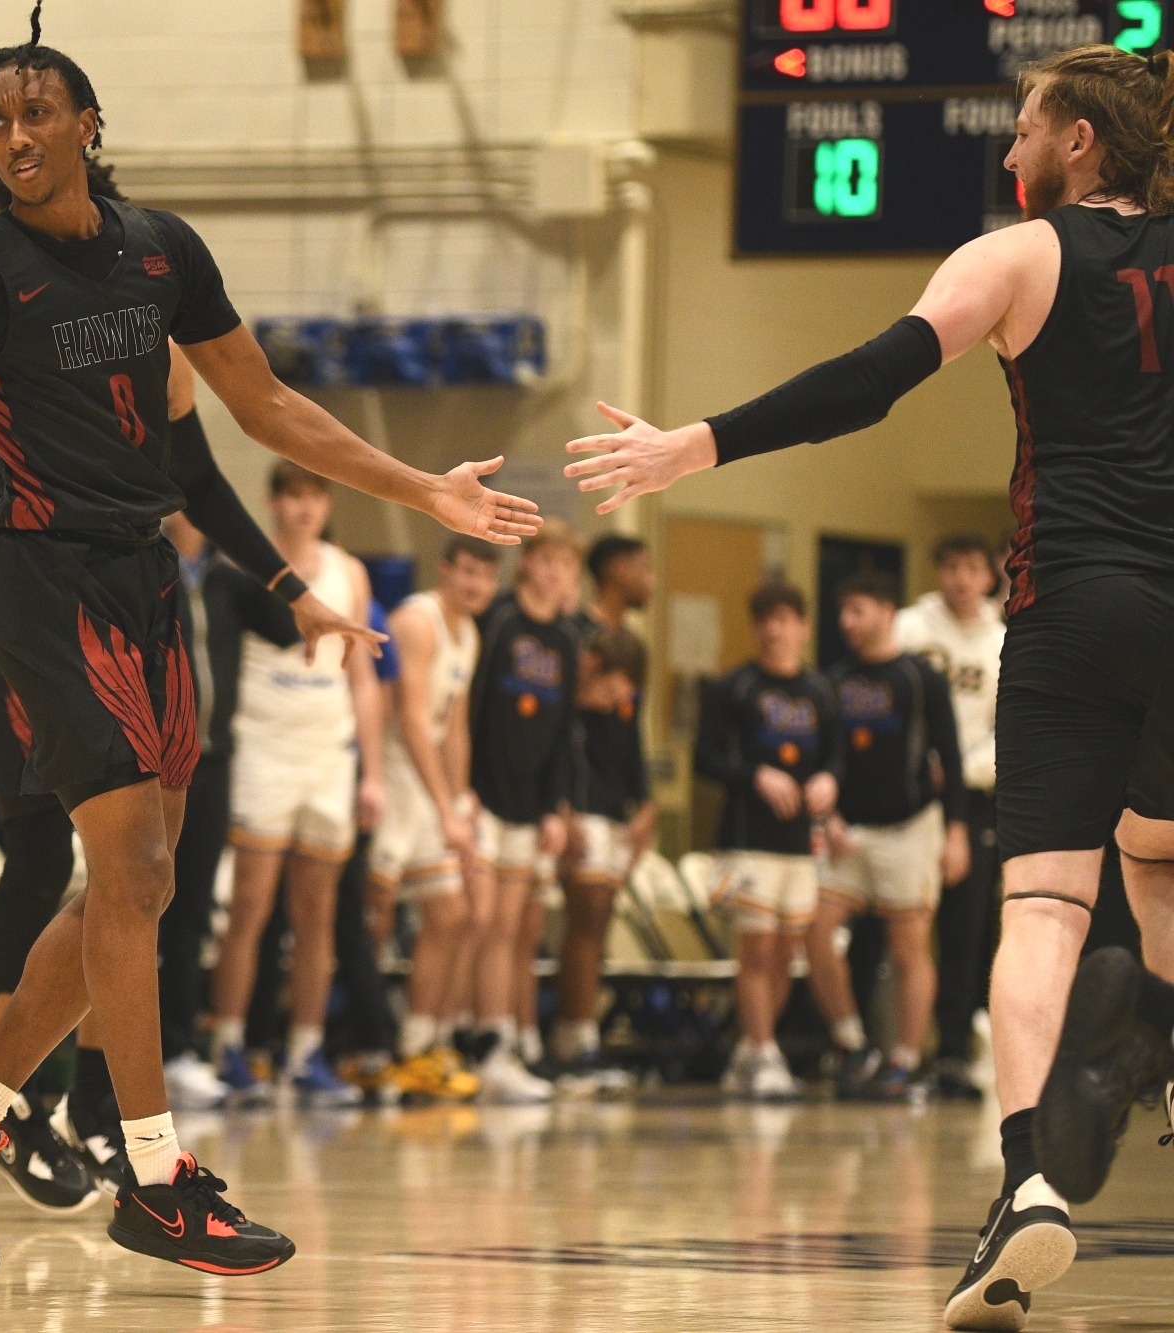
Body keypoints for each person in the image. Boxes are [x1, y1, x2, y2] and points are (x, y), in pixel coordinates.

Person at [0, 5, 537, 1278]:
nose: (16, 134)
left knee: (135, 886)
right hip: (35, 581)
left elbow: (263, 407)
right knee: (133, 859)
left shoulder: (162, 254)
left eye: (38, 112)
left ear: (89, 126)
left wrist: (419, 490)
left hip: (147, 581)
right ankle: (150, 1171)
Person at [561, 45, 1174, 1325]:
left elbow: (870, 381)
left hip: (1069, 606)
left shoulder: (1015, 256)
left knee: (1051, 907)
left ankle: (1024, 1181)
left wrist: (697, 445)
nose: (1006, 153)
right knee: (1159, 860)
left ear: (1073, 142)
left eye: (1021, 129)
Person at [209, 461, 380, 1108]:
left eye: (315, 496)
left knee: (319, 912)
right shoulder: (242, 558)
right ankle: (228, 1044)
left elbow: (363, 679)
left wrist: (374, 772)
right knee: (250, 905)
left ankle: (306, 1051)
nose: (304, 508)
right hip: (263, 746)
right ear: (273, 501)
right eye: (292, 495)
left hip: (328, 753)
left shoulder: (349, 572)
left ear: (326, 503)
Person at [807, 571, 969, 1102]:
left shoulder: (922, 678)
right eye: (842, 612)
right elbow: (825, 759)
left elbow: (950, 756)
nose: (846, 623)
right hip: (849, 831)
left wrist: (957, 831)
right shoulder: (834, 681)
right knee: (816, 931)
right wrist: (825, 820)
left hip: (911, 827)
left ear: (885, 610)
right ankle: (853, 1044)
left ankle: (904, 1059)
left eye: (857, 611)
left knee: (909, 949)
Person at [158, 511, 299, 1110]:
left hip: (212, 763)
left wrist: (256, 558)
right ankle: (120, 1056)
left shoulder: (228, 578)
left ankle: (181, 1050)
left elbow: (289, 629)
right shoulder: (142, 566)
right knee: (141, 909)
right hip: (152, 762)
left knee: (191, 912)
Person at [694, 582, 842, 1101]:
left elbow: (836, 756)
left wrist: (829, 780)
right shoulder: (733, 688)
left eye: (785, 618)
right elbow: (704, 759)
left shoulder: (822, 692)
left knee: (784, 955)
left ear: (802, 625)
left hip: (799, 844)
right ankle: (764, 1051)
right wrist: (756, 774)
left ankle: (751, 1051)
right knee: (755, 951)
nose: (774, 629)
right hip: (746, 839)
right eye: (765, 619)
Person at [371, 538, 497, 1102]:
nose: (474, 585)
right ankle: (359, 1043)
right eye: (467, 571)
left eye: (486, 576)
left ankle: (417, 1041)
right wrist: (444, 805)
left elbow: (457, 728)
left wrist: (461, 799)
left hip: (429, 789)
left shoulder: (469, 633)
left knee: (451, 915)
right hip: (394, 775)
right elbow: (414, 720)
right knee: (373, 916)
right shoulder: (418, 622)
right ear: (445, 569)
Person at [463, 525, 583, 1103]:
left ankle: (503, 1041)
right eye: (550, 560)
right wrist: (464, 788)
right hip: (483, 795)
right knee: (479, 923)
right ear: (528, 563)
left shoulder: (565, 642)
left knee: (513, 931)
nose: (559, 572)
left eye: (568, 564)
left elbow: (564, 733)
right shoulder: (501, 622)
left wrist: (555, 807)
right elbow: (473, 709)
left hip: (529, 806)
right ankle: (478, 1038)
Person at [897, 533, 1006, 1100]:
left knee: (966, 930)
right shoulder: (911, 629)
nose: (961, 579)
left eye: (972, 568)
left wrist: (960, 770)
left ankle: (955, 1051)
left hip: (973, 793)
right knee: (897, 922)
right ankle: (892, 1048)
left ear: (990, 576)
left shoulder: (1003, 640)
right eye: (951, 567)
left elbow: (1005, 727)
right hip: (908, 793)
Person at [554, 622, 653, 1091]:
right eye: (612, 690)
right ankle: (573, 1035)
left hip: (615, 811)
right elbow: (557, 753)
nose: (615, 703)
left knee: (600, 921)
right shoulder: (562, 692)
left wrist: (646, 804)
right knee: (586, 916)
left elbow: (634, 746)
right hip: (575, 809)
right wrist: (562, 806)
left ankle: (580, 1031)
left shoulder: (623, 697)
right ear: (592, 665)